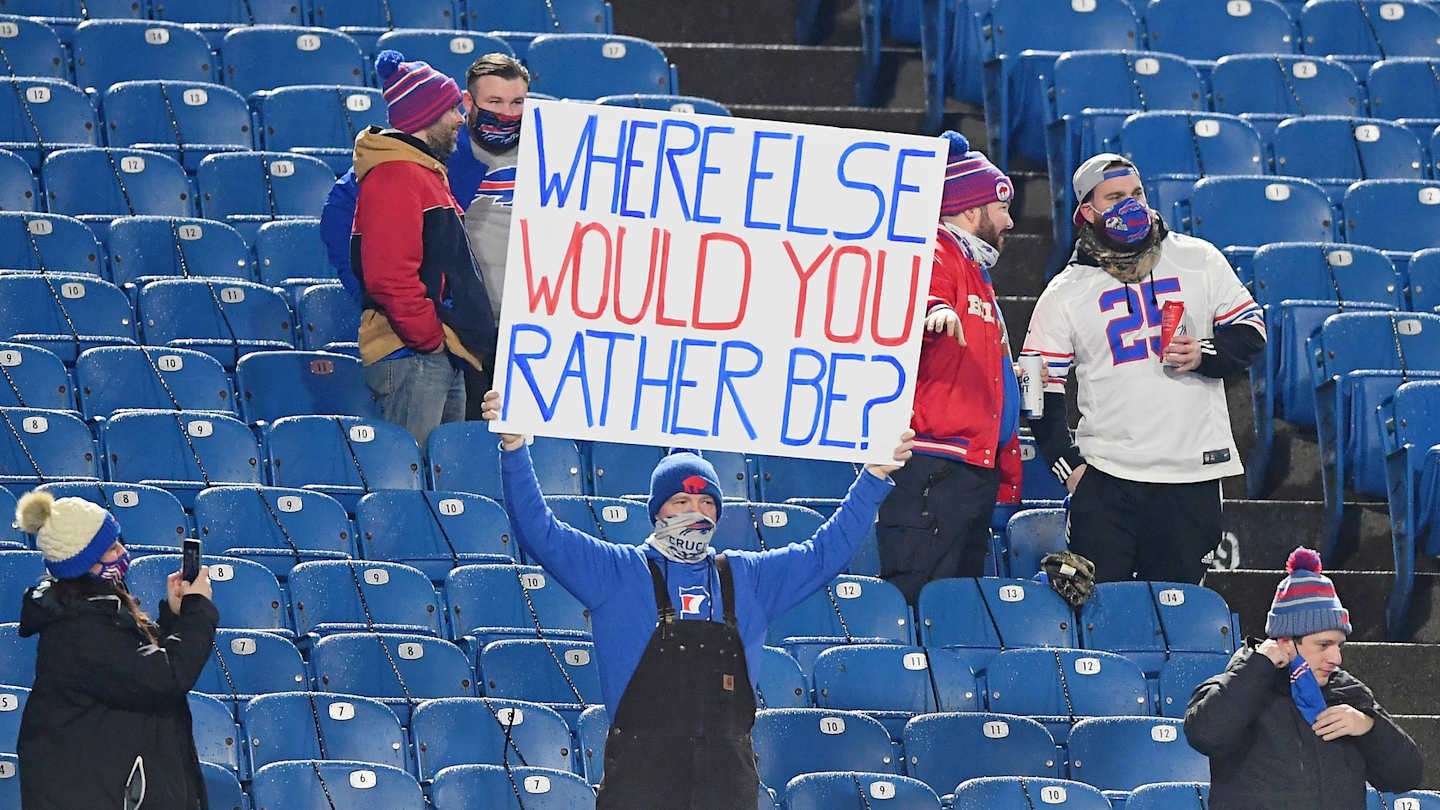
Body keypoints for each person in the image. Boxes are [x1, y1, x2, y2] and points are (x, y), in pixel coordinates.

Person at [480, 390, 913, 809]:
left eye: (707, 501)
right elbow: (539, 531)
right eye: (680, 500)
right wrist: (515, 447)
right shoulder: (617, 572)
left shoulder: (749, 577)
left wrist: (874, 477)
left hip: (727, 787)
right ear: (656, 510)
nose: (695, 512)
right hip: (640, 788)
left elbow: (827, 552)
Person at [1022, 153, 1266, 584]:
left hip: (1193, 474)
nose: (1131, 204)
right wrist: (1071, 469)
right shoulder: (1066, 292)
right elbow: (1037, 390)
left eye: (1136, 193)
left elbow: (1252, 329)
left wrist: (1204, 353)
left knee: (1178, 618)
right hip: (1108, 478)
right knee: (1102, 620)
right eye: (1114, 197)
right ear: (1086, 212)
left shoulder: (1199, 259)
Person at [320, 52, 528, 414]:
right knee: (430, 458)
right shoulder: (412, 164)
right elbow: (342, 225)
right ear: (468, 102)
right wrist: (421, 327)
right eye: (494, 101)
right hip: (450, 341)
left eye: (517, 102)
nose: (507, 113)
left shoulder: (548, 154)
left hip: (517, 341)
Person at [876, 130, 1022, 603]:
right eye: (1002, 208)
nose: (1011, 221)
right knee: (921, 605)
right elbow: (916, 287)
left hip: (968, 467)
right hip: (934, 467)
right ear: (973, 208)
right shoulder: (937, 246)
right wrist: (932, 309)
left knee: (954, 612)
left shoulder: (977, 273)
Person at [14, 490, 218, 810]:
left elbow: (135, 672)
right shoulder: (80, 631)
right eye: (111, 548)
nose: (123, 552)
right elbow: (166, 679)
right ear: (84, 562)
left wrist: (174, 618)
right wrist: (197, 611)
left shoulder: (87, 616)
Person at [1184, 547, 1421, 808]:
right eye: (1323, 645)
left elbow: (1407, 776)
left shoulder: (1348, 694)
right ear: (1285, 642)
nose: (1336, 658)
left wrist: (1368, 727)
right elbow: (1205, 733)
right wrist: (1259, 666)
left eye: (1339, 645)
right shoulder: (1242, 682)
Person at [351, 49, 497, 447]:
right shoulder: (396, 175)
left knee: (439, 487)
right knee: (413, 485)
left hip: (437, 356)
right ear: (423, 116)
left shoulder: (423, 174)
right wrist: (428, 339)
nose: (458, 119)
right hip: (415, 356)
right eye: (450, 108)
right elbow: (389, 275)